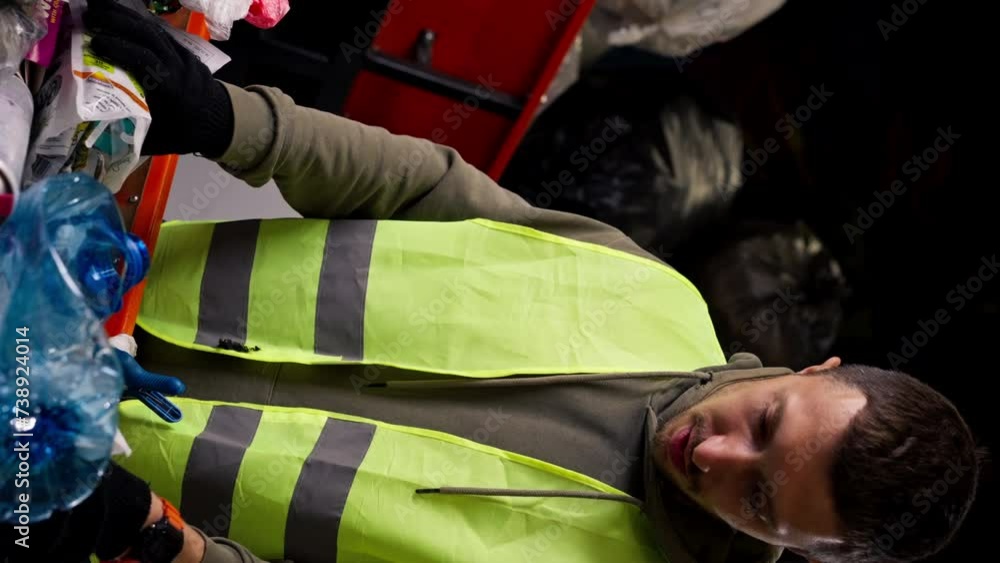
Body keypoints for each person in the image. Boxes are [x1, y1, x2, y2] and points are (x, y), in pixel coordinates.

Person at [9, 2, 980, 562]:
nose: (715, 452)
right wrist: (229, 118)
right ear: (816, 366)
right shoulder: (653, 293)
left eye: (759, 499)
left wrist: (149, 537)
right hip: (75, 279)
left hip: (66, 480)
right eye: (765, 422)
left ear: (801, 553)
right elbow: (425, 188)